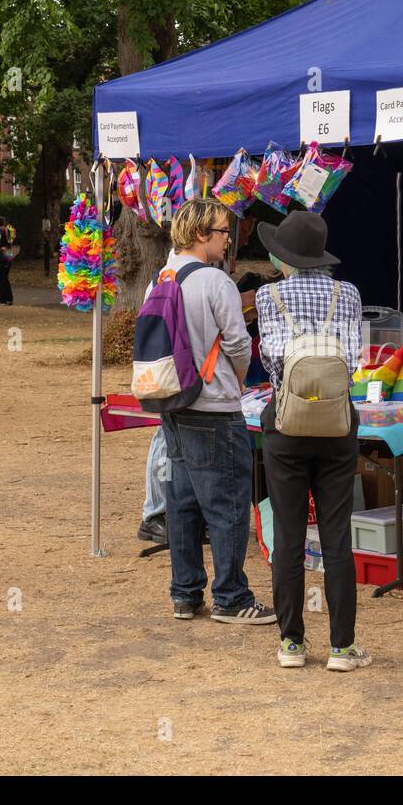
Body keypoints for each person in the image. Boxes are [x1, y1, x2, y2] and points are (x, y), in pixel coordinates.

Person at [255, 211, 370, 672]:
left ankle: (291, 643)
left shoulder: (268, 296)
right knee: (337, 534)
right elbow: (354, 360)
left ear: (284, 256)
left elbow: (268, 357)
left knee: (287, 535)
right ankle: (341, 648)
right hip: (337, 425)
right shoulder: (349, 294)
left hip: (285, 423)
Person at [152, 198, 274, 624]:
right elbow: (239, 343)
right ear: (202, 233)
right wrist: (238, 381)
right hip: (215, 407)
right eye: (224, 232)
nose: (229, 240)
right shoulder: (215, 282)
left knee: (183, 501)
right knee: (228, 503)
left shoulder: (161, 276)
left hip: (174, 402)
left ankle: (185, 594)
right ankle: (232, 597)